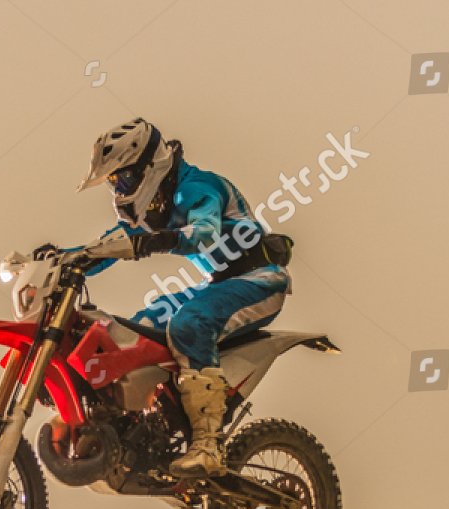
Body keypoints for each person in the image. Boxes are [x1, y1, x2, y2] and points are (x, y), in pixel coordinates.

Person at [72, 119, 291, 477]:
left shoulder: (196, 187)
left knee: (189, 323)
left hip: (259, 280)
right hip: (218, 285)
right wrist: (61, 258)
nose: (119, 189)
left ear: (148, 165)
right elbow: (105, 247)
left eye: (123, 179)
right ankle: (147, 430)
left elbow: (204, 232)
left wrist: (158, 240)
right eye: (114, 182)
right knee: (135, 330)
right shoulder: (155, 207)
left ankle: (207, 444)